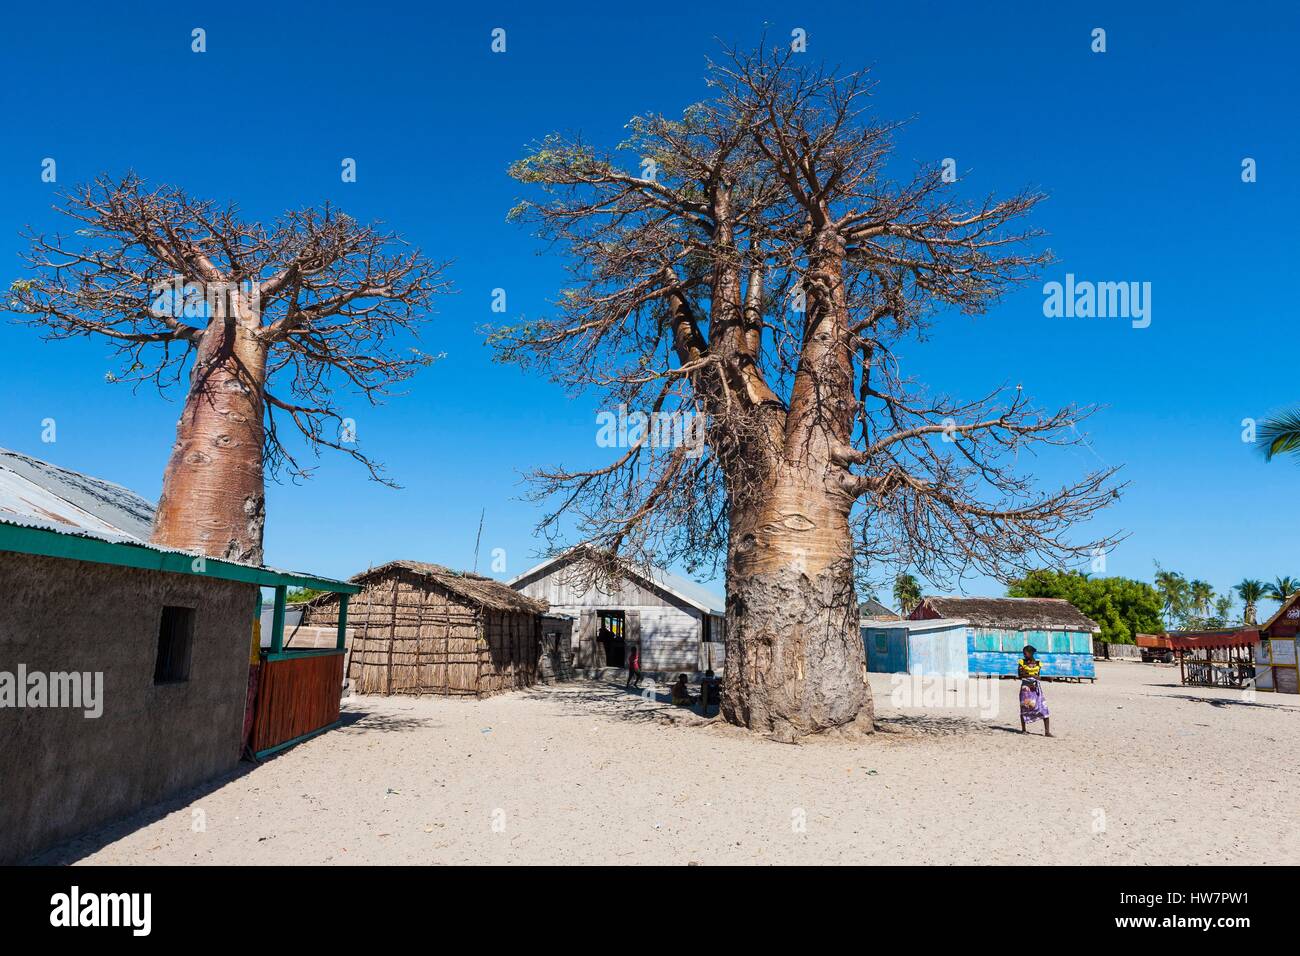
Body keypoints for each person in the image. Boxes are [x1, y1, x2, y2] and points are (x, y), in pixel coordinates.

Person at [1018, 644, 1052, 737]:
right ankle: (1024, 730)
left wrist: (1046, 679)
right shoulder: (1022, 662)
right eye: (1023, 653)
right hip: (1026, 689)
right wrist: (1033, 676)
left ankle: (1047, 732)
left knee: (1043, 708)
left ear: (1031, 653)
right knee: (1025, 707)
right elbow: (1020, 675)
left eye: (1026, 653)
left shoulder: (1038, 663)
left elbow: (1038, 676)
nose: (1024, 655)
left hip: (1036, 688)